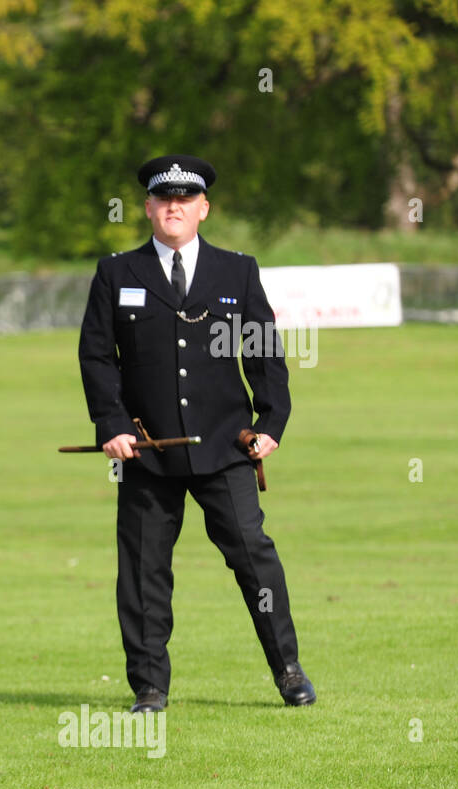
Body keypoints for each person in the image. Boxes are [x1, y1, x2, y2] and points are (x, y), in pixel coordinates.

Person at [77, 154, 315, 713]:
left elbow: (262, 351)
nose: (174, 207)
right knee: (142, 572)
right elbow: (96, 356)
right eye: (164, 200)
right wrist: (110, 425)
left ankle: (288, 670)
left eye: (185, 200)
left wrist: (270, 423)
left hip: (225, 447)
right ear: (148, 209)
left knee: (256, 559)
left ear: (203, 209)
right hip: (145, 451)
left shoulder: (237, 271)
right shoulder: (116, 273)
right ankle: (150, 687)